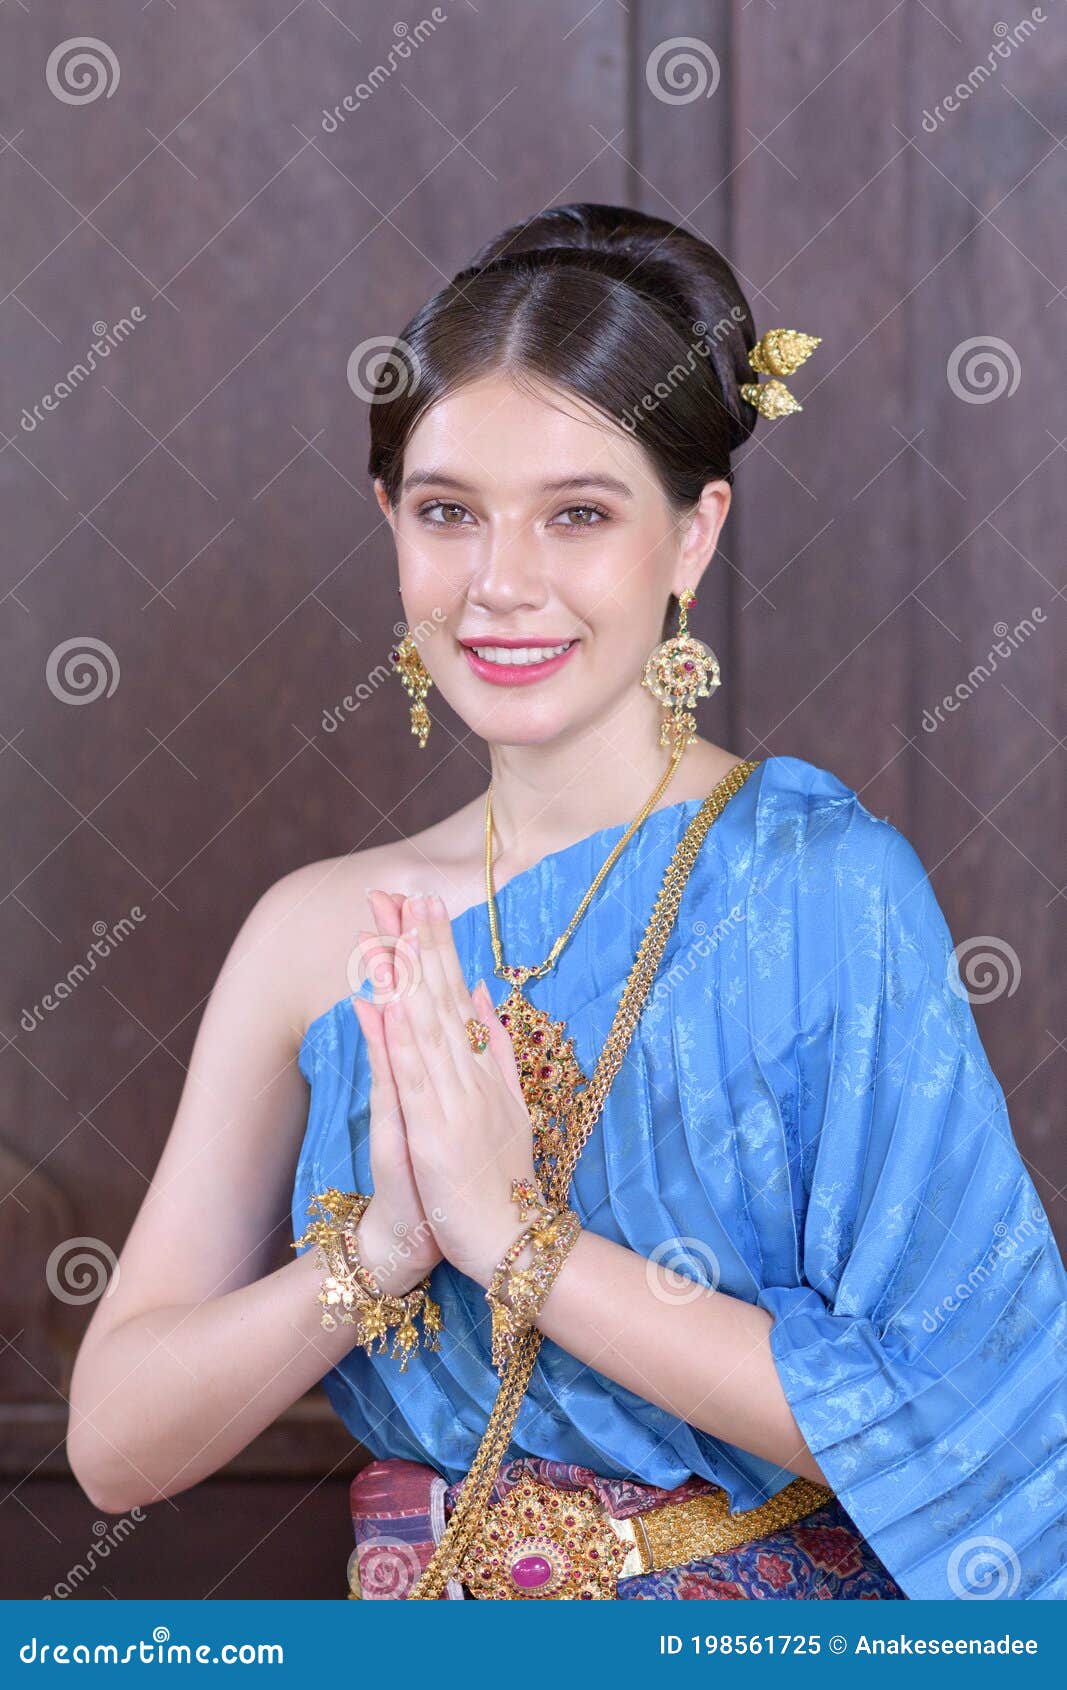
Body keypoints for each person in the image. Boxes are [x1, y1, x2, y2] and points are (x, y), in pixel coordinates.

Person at [66, 204, 1067, 1603]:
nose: (502, 584)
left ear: (692, 534)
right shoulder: (313, 932)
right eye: (447, 512)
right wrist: (382, 1251)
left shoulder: (817, 888)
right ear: (392, 524)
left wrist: (519, 1242)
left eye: (580, 513)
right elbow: (115, 1446)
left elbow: (950, 1406)